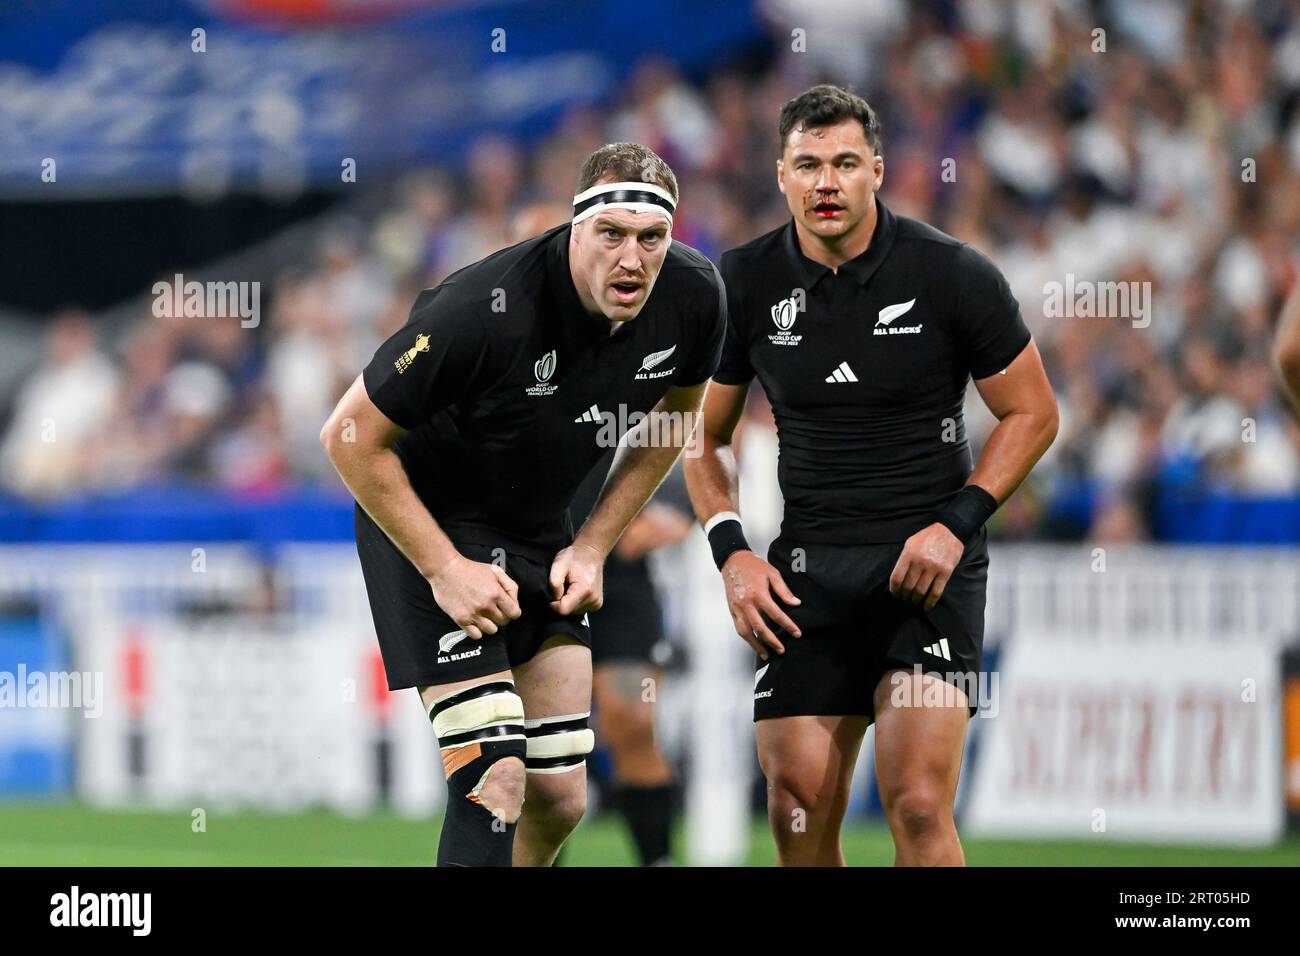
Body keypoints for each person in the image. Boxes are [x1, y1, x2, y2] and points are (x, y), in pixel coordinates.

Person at [683, 85, 1059, 866]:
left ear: (878, 171)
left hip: (926, 573)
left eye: (846, 163)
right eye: (808, 164)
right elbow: (703, 437)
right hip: (807, 574)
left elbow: (1033, 413)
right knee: (795, 805)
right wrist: (732, 552)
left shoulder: (953, 274)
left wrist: (956, 526)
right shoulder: (743, 284)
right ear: (780, 175)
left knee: (918, 805)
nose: (827, 182)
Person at [321, 143, 726, 866]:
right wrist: (445, 568)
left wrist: (597, 542)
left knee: (560, 799)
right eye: (611, 235)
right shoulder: (484, 309)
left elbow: (675, 419)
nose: (631, 260)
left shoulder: (695, 298)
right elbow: (347, 436)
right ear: (576, 229)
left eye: (651, 238)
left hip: (543, 528)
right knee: (494, 776)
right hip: (428, 524)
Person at [569, 453, 693, 865]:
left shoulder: (633, 397)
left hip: (618, 577)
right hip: (540, 560)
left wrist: (676, 508)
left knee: (633, 723)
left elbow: (685, 436)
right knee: (541, 738)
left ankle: (658, 858)